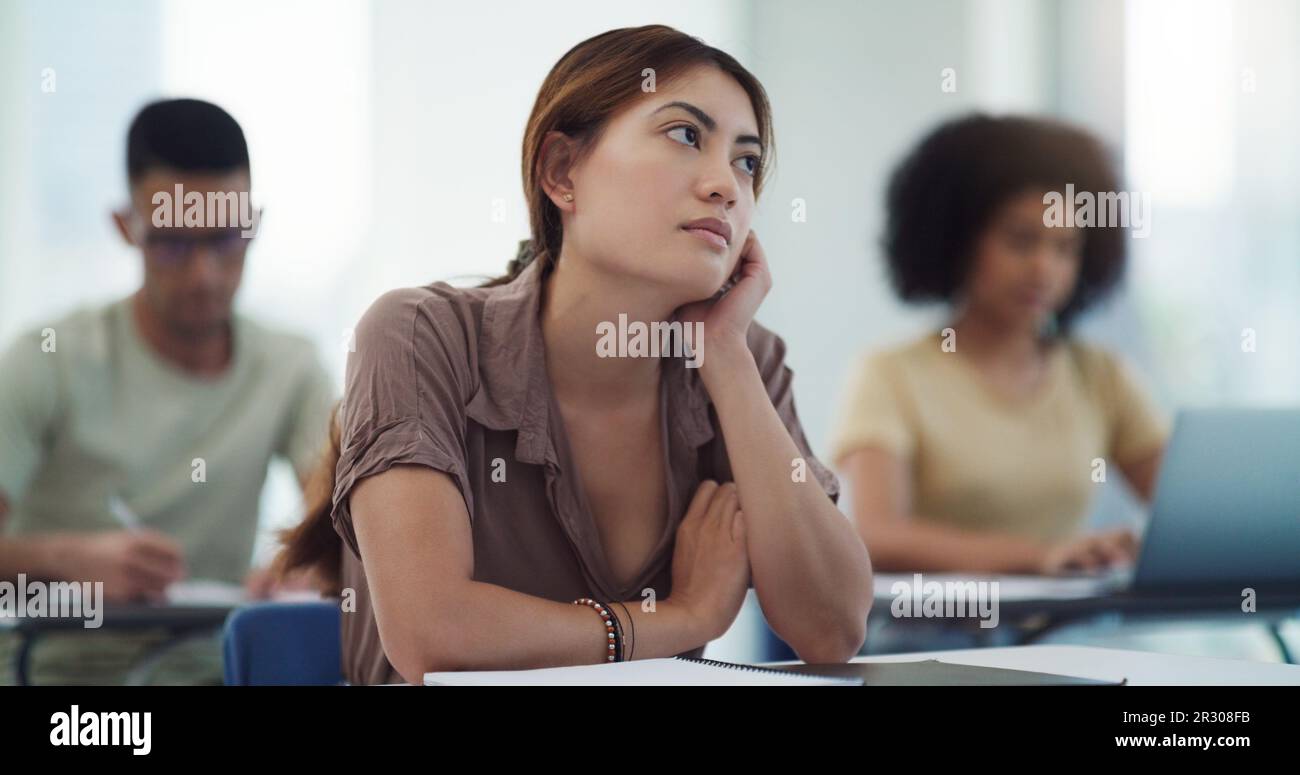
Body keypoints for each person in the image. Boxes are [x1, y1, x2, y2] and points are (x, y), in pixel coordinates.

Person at [278, 24, 872, 685]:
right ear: (563, 171)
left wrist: (726, 358)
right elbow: (433, 635)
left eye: (747, 160)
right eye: (685, 135)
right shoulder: (418, 334)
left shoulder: (744, 358)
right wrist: (684, 617)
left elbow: (832, 629)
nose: (726, 185)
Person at [0, 98, 336, 684]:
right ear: (125, 226)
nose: (204, 273)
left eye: (227, 239)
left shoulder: (290, 368)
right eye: (174, 243)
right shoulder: (47, 360)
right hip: (62, 682)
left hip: (215, 671)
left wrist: (306, 564)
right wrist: (65, 562)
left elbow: (345, 520)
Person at [831, 114, 1168, 576]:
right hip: (926, 634)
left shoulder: (1101, 374)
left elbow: (1188, 516)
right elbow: (877, 536)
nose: (1043, 269)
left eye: (1065, 247)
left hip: (1062, 634)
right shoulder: (890, 374)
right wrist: (1040, 558)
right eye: (1021, 240)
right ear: (959, 241)